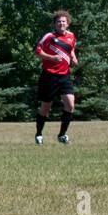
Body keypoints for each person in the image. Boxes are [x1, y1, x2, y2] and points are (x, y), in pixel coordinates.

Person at [33, 10, 79, 144]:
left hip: (65, 76)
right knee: (46, 108)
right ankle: (39, 134)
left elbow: (71, 50)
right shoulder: (48, 36)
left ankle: (62, 135)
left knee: (70, 105)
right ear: (55, 24)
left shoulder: (71, 36)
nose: (61, 23)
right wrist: (51, 57)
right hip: (49, 76)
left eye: (64, 21)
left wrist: (74, 59)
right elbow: (37, 52)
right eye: (58, 21)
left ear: (68, 23)